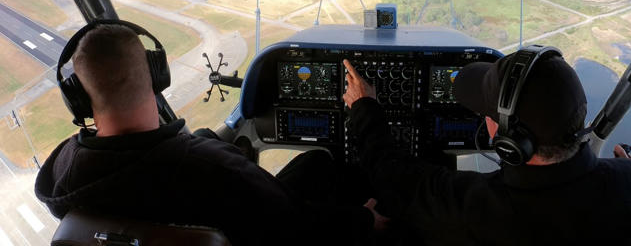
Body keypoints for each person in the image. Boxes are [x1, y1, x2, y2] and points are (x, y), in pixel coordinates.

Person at [35, 22, 382, 245]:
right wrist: (365, 220)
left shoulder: (61, 172)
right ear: (158, 77)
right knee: (324, 166)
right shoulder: (215, 172)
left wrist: (200, 142)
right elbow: (296, 228)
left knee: (313, 166)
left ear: (78, 97)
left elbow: (143, 168)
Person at [342, 47, 631, 245]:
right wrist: (628, 172)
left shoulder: (476, 211)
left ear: (512, 142)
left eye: (487, 112)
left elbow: (392, 177)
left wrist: (364, 107)